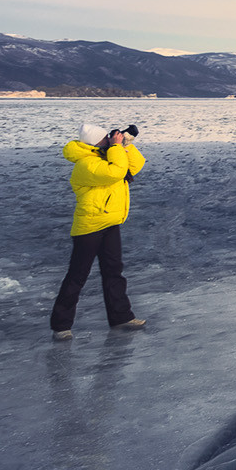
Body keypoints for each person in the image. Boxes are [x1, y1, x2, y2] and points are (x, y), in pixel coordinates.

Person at [49, 123, 147, 339]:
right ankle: (61, 325)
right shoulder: (86, 164)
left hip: (110, 222)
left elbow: (135, 165)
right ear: (95, 143)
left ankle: (121, 317)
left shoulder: (107, 155)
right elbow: (116, 172)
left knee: (114, 272)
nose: (111, 140)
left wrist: (126, 144)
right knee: (77, 275)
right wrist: (115, 147)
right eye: (107, 138)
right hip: (90, 227)